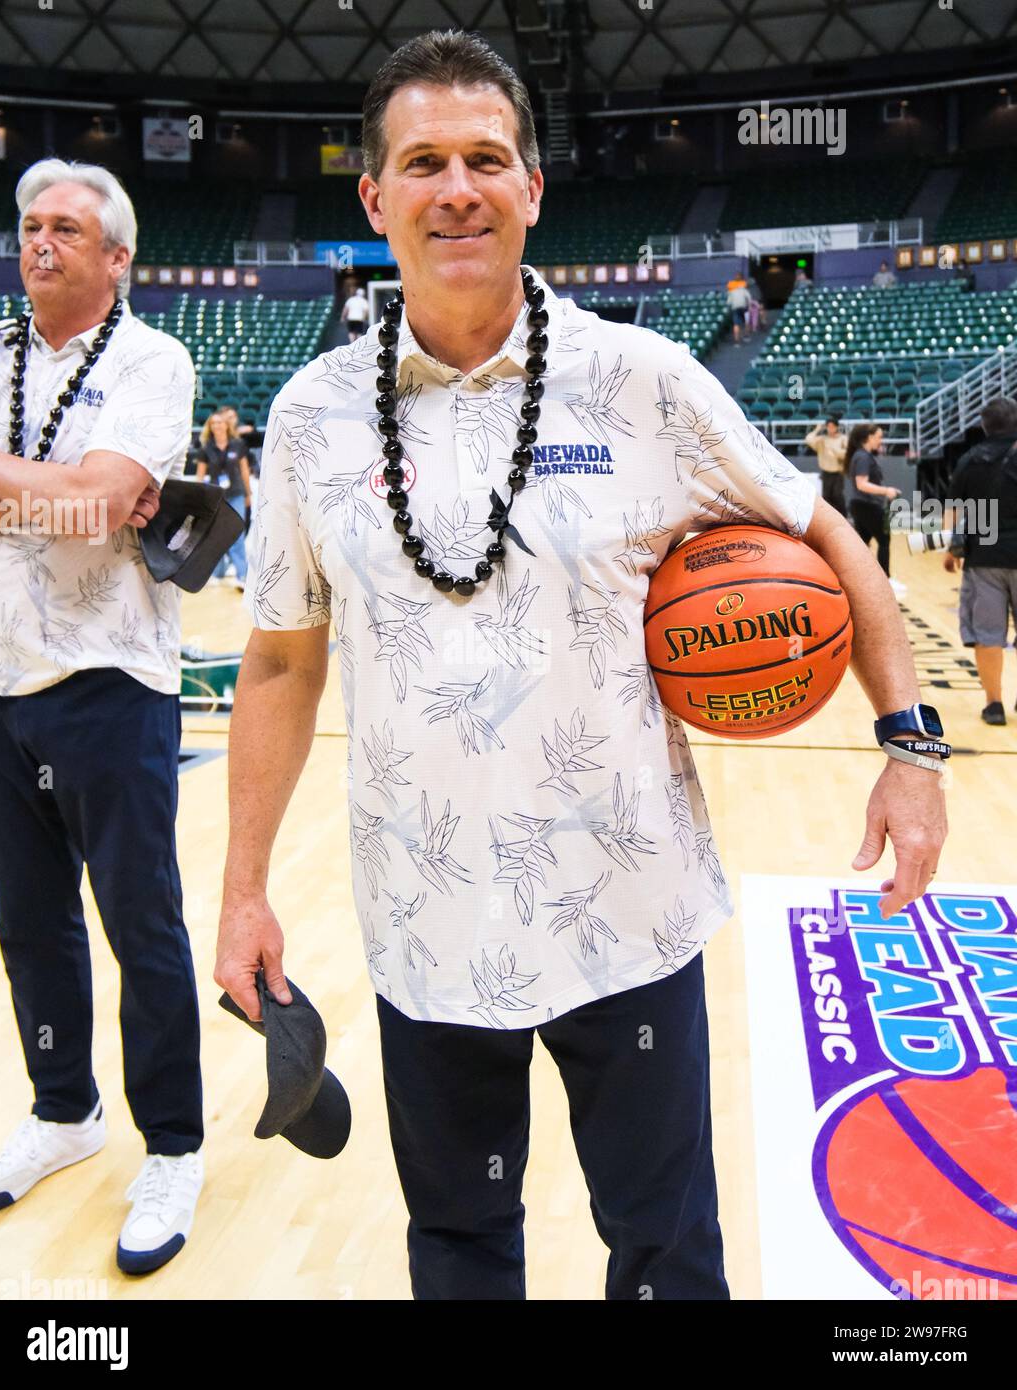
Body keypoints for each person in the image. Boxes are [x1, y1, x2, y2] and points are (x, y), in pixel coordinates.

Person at [215, 29, 947, 1303]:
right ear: (374, 197)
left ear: (531, 188)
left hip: (630, 914)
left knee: (664, 1256)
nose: (458, 187)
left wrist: (909, 746)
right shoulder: (309, 420)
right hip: (424, 927)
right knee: (457, 1252)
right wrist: (241, 890)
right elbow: (279, 663)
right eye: (424, 160)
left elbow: (829, 536)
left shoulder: (644, 381)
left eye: (486, 158)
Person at [0, 159, 204, 1272]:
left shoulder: (154, 361)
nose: (39, 242)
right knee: (28, 922)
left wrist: (16, 490)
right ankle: (64, 1110)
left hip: (111, 679)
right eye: (28, 225)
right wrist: (43, 489)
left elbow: (98, 504)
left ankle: (173, 1142)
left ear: (116, 255)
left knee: (139, 922)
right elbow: (57, 500)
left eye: (65, 227)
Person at [944, 396, 1017, 725]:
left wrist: (951, 549)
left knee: (988, 635)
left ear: (984, 425)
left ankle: (994, 704)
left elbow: (954, 512)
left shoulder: (970, 460)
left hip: (984, 558)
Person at [195, 409, 253, 588]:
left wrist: (248, 493)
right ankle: (218, 573)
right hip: (216, 497)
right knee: (216, 536)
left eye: (220, 422)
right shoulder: (205, 448)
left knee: (237, 534)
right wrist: (199, 498)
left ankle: (242, 576)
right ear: (210, 427)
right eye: (213, 423)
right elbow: (200, 476)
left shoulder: (237, 445)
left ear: (226, 425)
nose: (217, 426)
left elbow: (244, 471)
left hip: (236, 494)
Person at [845, 422, 903, 593]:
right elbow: (861, 484)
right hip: (867, 505)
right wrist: (887, 491)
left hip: (860, 505)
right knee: (884, 540)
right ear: (869, 437)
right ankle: (886, 580)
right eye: (879, 437)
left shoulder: (860, 455)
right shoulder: (863, 457)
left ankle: (855, 580)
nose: (881, 441)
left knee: (863, 545)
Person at [805, 413, 848, 515]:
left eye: (832, 426)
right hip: (826, 472)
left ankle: (844, 516)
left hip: (838, 472)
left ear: (837, 427)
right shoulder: (822, 440)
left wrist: (835, 452)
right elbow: (809, 440)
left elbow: (847, 453)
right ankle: (830, 517)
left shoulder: (843, 438)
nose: (830, 429)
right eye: (828, 426)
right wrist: (817, 429)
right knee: (827, 496)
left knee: (838, 495)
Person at [726, 278, 751, 346]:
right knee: (746, 321)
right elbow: (749, 298)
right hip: (744, 308)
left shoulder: (732, 292)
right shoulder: (744, 290)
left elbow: (728, 303)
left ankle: (737, 341)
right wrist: (749, 307)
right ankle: (746, 336)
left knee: (736, 324)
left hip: (735, 308)